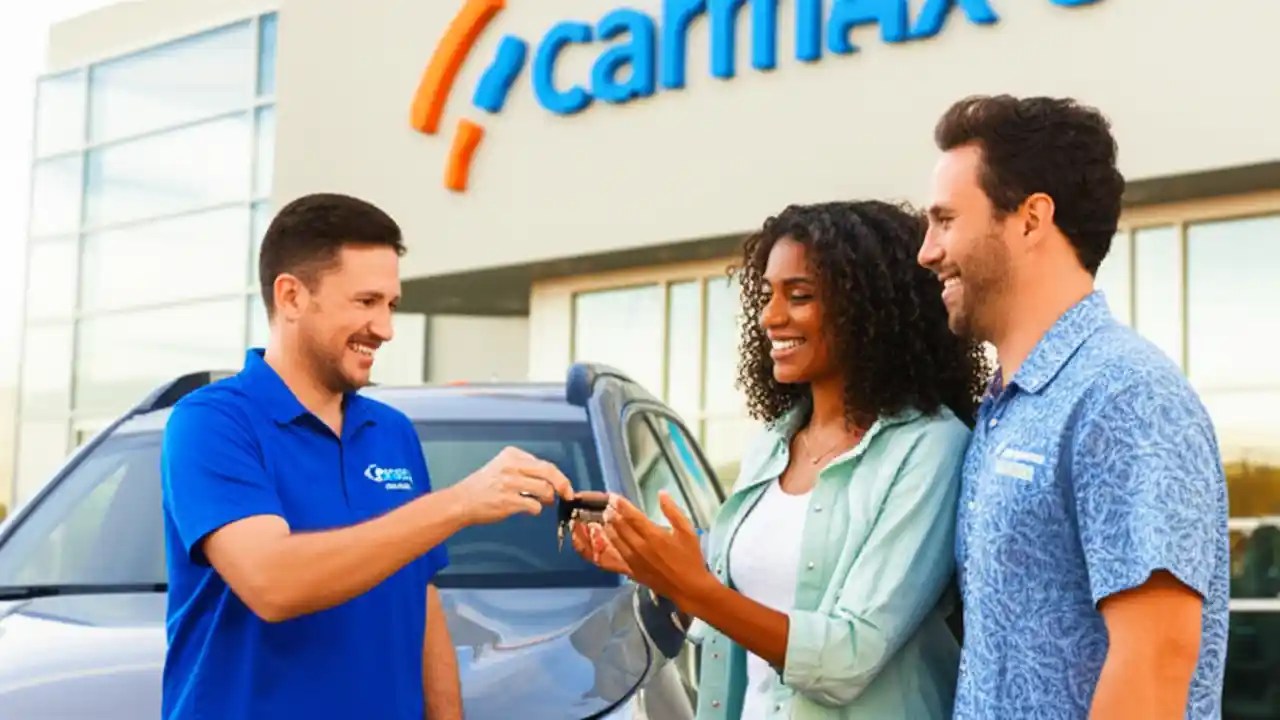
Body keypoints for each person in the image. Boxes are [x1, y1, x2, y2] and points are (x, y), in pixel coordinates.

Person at [159, 192, 575, 720]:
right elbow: (272, 582)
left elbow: (420, 603)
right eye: (365, 302)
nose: (385, 328)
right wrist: (457, 504)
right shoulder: (212, 423)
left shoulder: (392, 432)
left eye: (391, 305)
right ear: (291, 296)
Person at [574, 200, 992, 719]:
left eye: (800, 296)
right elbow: (736, 615)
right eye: (767, 295)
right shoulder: (773, 444)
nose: (771, 317)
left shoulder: (930, 448)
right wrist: (658, 568)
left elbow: (848, 657)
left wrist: (695, 588)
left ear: (870, 309)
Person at [918, 94, 1230, 719]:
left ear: (1031, 218)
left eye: (946, 220)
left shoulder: (1125, 395)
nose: (927, 251)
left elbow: (1157, 657)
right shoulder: (1007, 407)